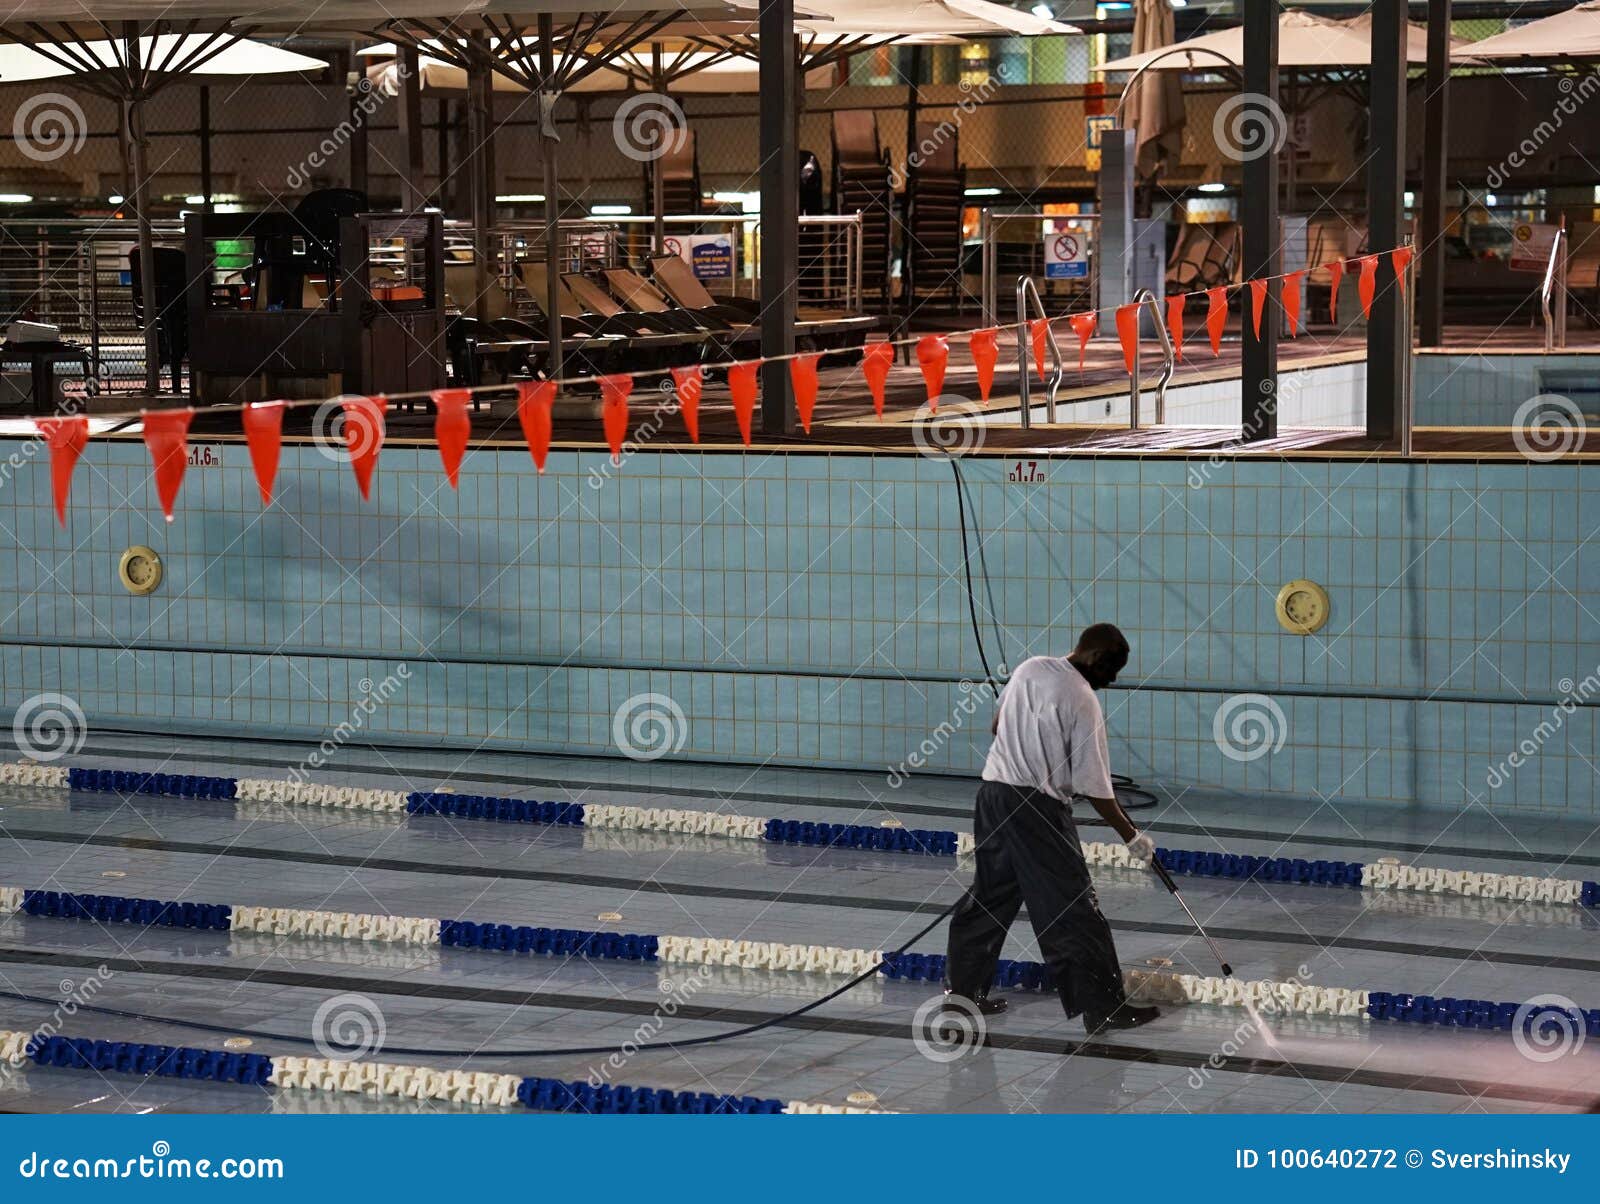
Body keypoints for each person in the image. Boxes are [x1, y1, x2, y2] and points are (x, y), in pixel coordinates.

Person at [941, 622, 1160, 1035]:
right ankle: (1103, 1008)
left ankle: (963, 995)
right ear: (1094, 656)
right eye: (1112, 670)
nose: (1111, 681)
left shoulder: (1031, 667)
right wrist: (1132, 836)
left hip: (992, 795)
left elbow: (996, 726)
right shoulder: (1081, 698)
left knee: (991, 896)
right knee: (1074, 906)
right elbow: (1094, 786)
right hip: (1035, 808)